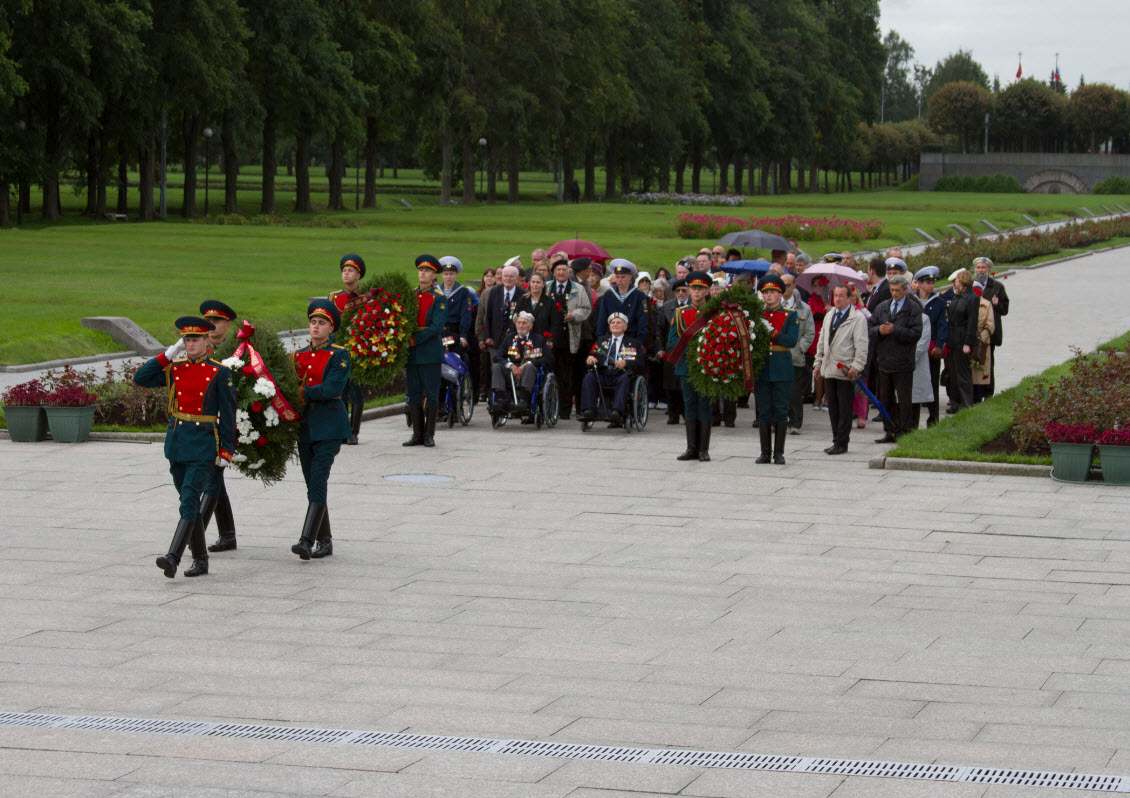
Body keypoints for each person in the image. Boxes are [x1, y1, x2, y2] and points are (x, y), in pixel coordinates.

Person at [134, 316, 235, 578]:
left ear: (206, 341)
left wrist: (226, 450)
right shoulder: (175, 368)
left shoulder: (219, 372)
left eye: (195, 339)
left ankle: (173, 557)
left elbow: (229, 414)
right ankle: (201, 560)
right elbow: (141, 377)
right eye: (187, 340)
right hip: (178, 442)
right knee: (186, 502)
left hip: (203, 444)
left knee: (189, 500)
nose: (190, 344)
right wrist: (169, 353)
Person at [291, 299, 350, 560]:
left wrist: (305, 393)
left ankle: (307, 539)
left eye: (322, 323)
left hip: (329, 427)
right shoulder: (298, 355)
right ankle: (325, 541)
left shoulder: (339, 354)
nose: (316, 327)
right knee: (312, 484)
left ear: (331, 328)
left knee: (318, 480)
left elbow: (333, 389)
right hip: (306, 428)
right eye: (313, 322)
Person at [197, 299, 240, 553]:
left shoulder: (237, 351)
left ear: (228, 324)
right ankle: (228, 535)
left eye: (217, 322)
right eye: (208, 321)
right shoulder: (201, 349)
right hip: (203, 428)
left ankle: (195, 533)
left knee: (212, 479)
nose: (211, 326)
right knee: (215, 479)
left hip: (224, 426)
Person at [813, 285, 869, 454]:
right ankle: (836, 439)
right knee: (833, 408)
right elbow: (822, 341)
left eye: (841, 296)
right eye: (835, 295)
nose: (837, 299)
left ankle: (842, 442)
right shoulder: (830, 315)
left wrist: (857, 366)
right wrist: (817, 363)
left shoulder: (857, 318)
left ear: (850, 298)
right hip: (829, 369)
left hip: (845, 369)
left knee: (845, 409)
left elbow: (862, 345)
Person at [868, 273, 922, 442]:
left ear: (905, 290)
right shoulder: (882, 307)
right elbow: (870, 328)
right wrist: (879, 330)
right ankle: (890, 430)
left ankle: (905, 431)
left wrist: (895, 329)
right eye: (892, 290)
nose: (894, 293)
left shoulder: (913, 308)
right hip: (884, 361)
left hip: (903, 362)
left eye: (898, 290)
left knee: (904, 399)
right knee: (885, 398)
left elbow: (916, 333)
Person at [666, 272, 714, 461]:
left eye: (701, 288)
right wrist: (689, 350)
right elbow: (671, 341)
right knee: (690, 406)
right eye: (694, 288)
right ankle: (691, 448)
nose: (696, 292)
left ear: (707, 290)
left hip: (707, 367)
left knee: (704, 406)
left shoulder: (714, 312)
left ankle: (704, 449)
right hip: (686, 365)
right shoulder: (680, 313)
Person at [755, 274, 800, 464]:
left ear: (780, 294)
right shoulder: (757, 315)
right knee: (763, 411)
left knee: (781, 411)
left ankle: (779, 452)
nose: (769, 296)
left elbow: (791, 340)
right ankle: (765, 452)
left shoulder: (790, 315)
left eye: (773, 292)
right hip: (763, 367)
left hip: (781, 367)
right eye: (765, 293)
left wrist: (773, 333)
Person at [403, 255, 447, 448]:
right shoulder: (410, 296)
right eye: (421, 270)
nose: (423, 273)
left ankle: (429, 434)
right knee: (413, 395)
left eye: (427, 270)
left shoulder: (439, 299)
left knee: (431, 394)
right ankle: (417, 434)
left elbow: (436, 327)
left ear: (434, 275)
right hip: (412, 355)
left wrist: (414, 339)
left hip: (429, 353)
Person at [547, 252, 592, 420]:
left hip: (570, 336)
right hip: (551, 337)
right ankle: (553, 405)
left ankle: (567, 409)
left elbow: (586, 309)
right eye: (558, 270)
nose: (561, 273)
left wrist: (575, 315)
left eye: (564, 270)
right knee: (554, 372)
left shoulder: (577, 288)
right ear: (553, 272)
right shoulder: (547, 287)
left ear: (569, 272)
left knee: (569, 374)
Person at [579, 312, 644, 426]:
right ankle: (588, 410)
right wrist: (590, 358)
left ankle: (617, 412)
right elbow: (592, 354)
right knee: (589, 377)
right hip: (603, 373)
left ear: (625, 326)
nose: (615, 324)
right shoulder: (601, 341)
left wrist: (626, 363)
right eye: (612, 323)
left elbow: (640, 362)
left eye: (619, 322)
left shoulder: (633, 343)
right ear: (609, 326)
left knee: (624, 379)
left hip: (621, 374)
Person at [330, 254, 368, 446]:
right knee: (341, 393)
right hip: (339, 351)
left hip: (358, 351)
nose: (346, 274)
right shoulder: (334, 297)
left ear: (358, 275)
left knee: (356, 393)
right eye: (344, 270)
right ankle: (343, 430)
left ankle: (354, 431)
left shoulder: (366, 297)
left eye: (350, 270)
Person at [492, 311, 551, 416]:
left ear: (530, 326)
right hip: (511, 371)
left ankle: (524, 400)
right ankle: (500, 399)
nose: (521, 325)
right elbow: (497, 356)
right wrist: (510, 365)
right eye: (519, 323)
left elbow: (548, 358)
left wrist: (528, 364)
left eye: (524, 323)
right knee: (496, 367)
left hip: (529, 372)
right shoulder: (509, 338)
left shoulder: (538, 339)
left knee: (529, 367)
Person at [913, 266, 948, 428]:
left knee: (932, 382)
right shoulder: (912, 301)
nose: (930, 285)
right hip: (913, 347)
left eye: (932, 282)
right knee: (913, 383)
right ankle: (911, 418)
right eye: (927, 282)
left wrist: (940, 345)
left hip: (931, 348)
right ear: (918, 284)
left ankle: (933, 418)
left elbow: (942, 325)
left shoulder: (939, 303)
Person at [781, 274, 815, 435]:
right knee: (779, 390)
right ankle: (782, 420)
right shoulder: (774, 305)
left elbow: (810, 333)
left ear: (794, 285)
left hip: (795, 356)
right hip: (777, 354)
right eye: (782, 285)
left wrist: (801, 348)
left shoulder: (804, 308)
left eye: (787, 285)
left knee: (794, 391)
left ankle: (795, 422)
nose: (784, 288)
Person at [973, 256, 1009, 396]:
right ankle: (975, 392)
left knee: (988, 362)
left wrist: (996, 304)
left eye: (983, 267)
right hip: (974, 331)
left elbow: (1005, 310)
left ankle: (988, 393)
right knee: (974, 362)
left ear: (988, 269)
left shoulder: (997, 287)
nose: (981, 270)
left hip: (990, 332)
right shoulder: (971, 285)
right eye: (978, 267)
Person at [946, 269, 979, 411]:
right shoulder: (957, 296)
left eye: (957, 280)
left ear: (963, 282)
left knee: (963, 373)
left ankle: (967, 403)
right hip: (952, 338)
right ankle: (955, 402)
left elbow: (972, 322)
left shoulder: (972, 298)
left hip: (962, 338)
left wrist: (968, 343)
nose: (955, 283)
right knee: (952, 372)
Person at [595, 259, 647, 339]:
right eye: (617, 277)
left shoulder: (639, 296)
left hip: (632, 338)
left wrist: (639, 341)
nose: (619, 280)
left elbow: (643, 321)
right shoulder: (608, 295)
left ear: (630, 278)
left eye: (623, 277)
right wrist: (601, 338)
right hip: (610, 338)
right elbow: (602, 318)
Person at [512, 272, 563, 348]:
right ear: (529, 284)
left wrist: (551, 340)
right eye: (533, 282)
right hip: (524, 341)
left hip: (543, 342)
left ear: (543, 285)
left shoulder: (550, 302)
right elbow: (515, 319)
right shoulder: (523, 300)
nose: (535, 285)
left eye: (538, 282)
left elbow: (555, 324)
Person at [438, 256, 474, 358]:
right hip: (437, 332)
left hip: (454, 332)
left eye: (451, 274)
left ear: (456, 275)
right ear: (442, 275)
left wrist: (463, 335)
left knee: (454, 359)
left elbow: (465, 314)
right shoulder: (436, 291)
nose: (448, 277)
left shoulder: (463, 292)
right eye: (446, 274)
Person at [474, 268, 499, 401]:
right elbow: (480, 316)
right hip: (485, 334)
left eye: (492, 276)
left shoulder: (495, 293)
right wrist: (480, 336)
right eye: (487, 276)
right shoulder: (482, 293)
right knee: (484, 365)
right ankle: (484, 389)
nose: (489, 279)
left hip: (497, 336)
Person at [971, 281, 996, 402]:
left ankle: (980, 395)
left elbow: (990, 325)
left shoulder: (987, 305)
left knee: (980, 370)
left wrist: (981, 337)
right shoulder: (968, 303)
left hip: (982, 344)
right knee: (969, 372)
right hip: (969, 342)